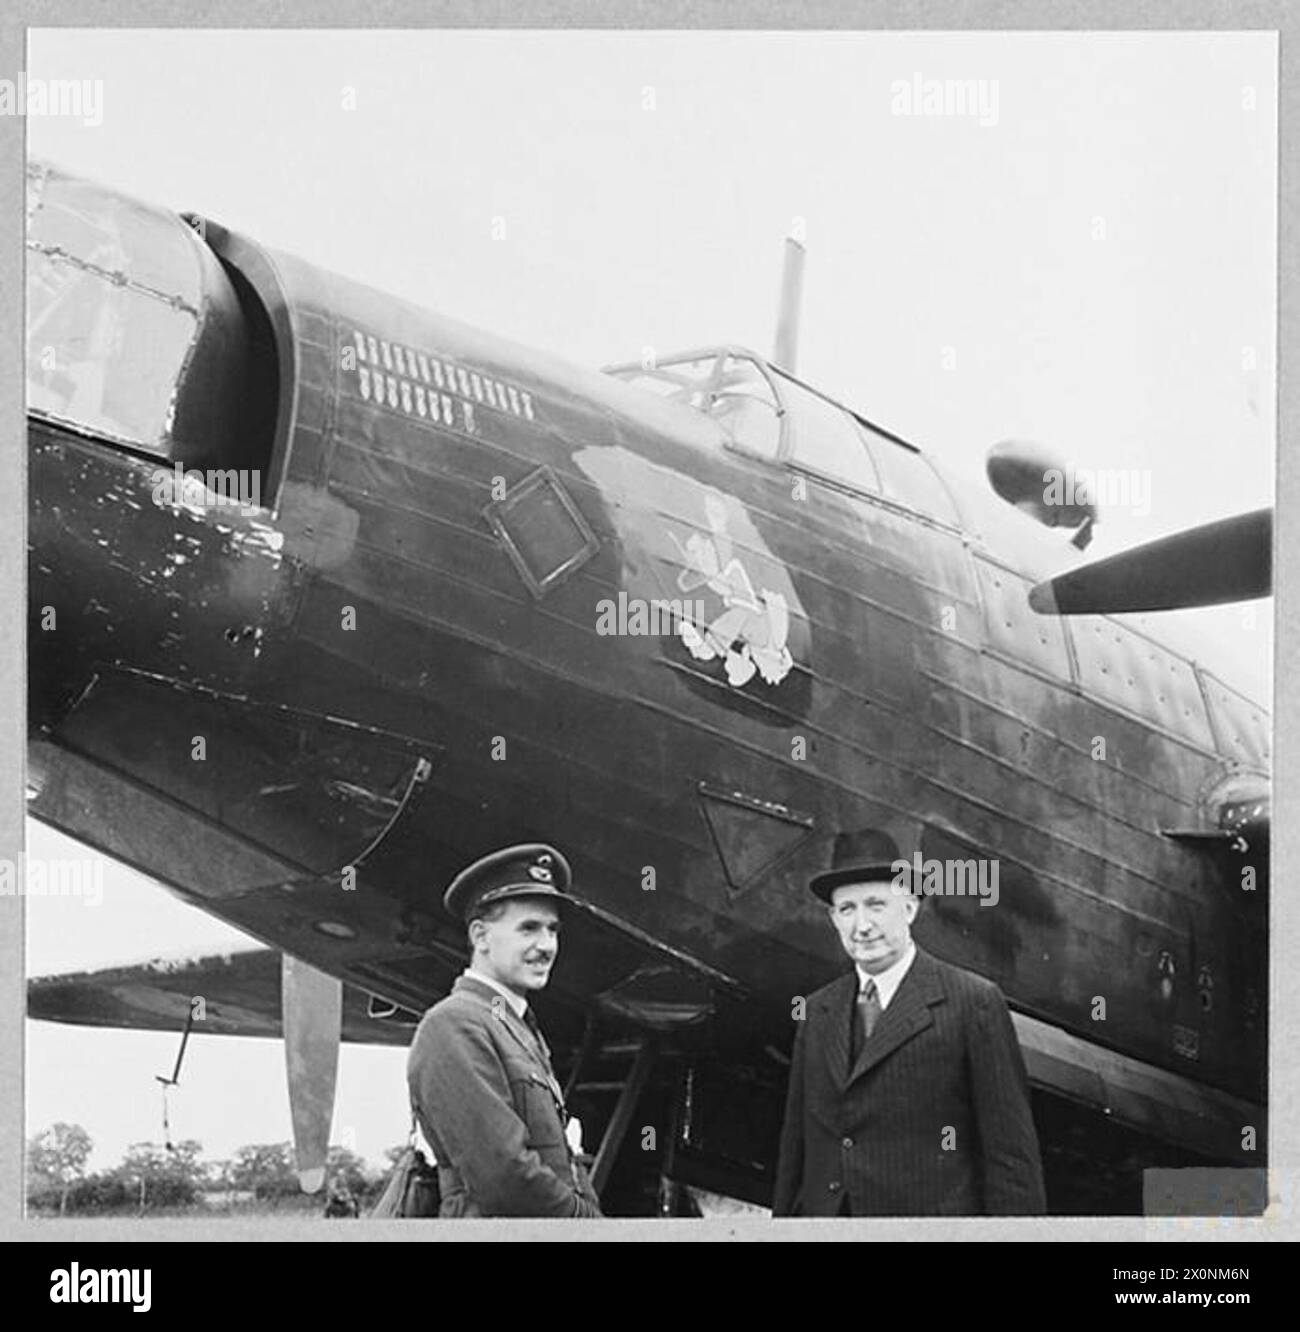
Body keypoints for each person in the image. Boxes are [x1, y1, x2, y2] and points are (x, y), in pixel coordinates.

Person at [773, 830, 1046, 1216]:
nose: (862, 926)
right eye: (847, 909)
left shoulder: (973, 1002)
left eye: (876, 905)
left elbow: (1010, 1156)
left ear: (910, 908)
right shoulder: (817, 1012)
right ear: (833, 918)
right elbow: (795, 1153)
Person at [407, 844, 602, 1218]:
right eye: (528, 928)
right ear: (480, 936)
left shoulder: (515, 1027)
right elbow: (505, 1179)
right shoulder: (453, 1025)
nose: (546, 946)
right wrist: (589, 1224)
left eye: (553, 930)